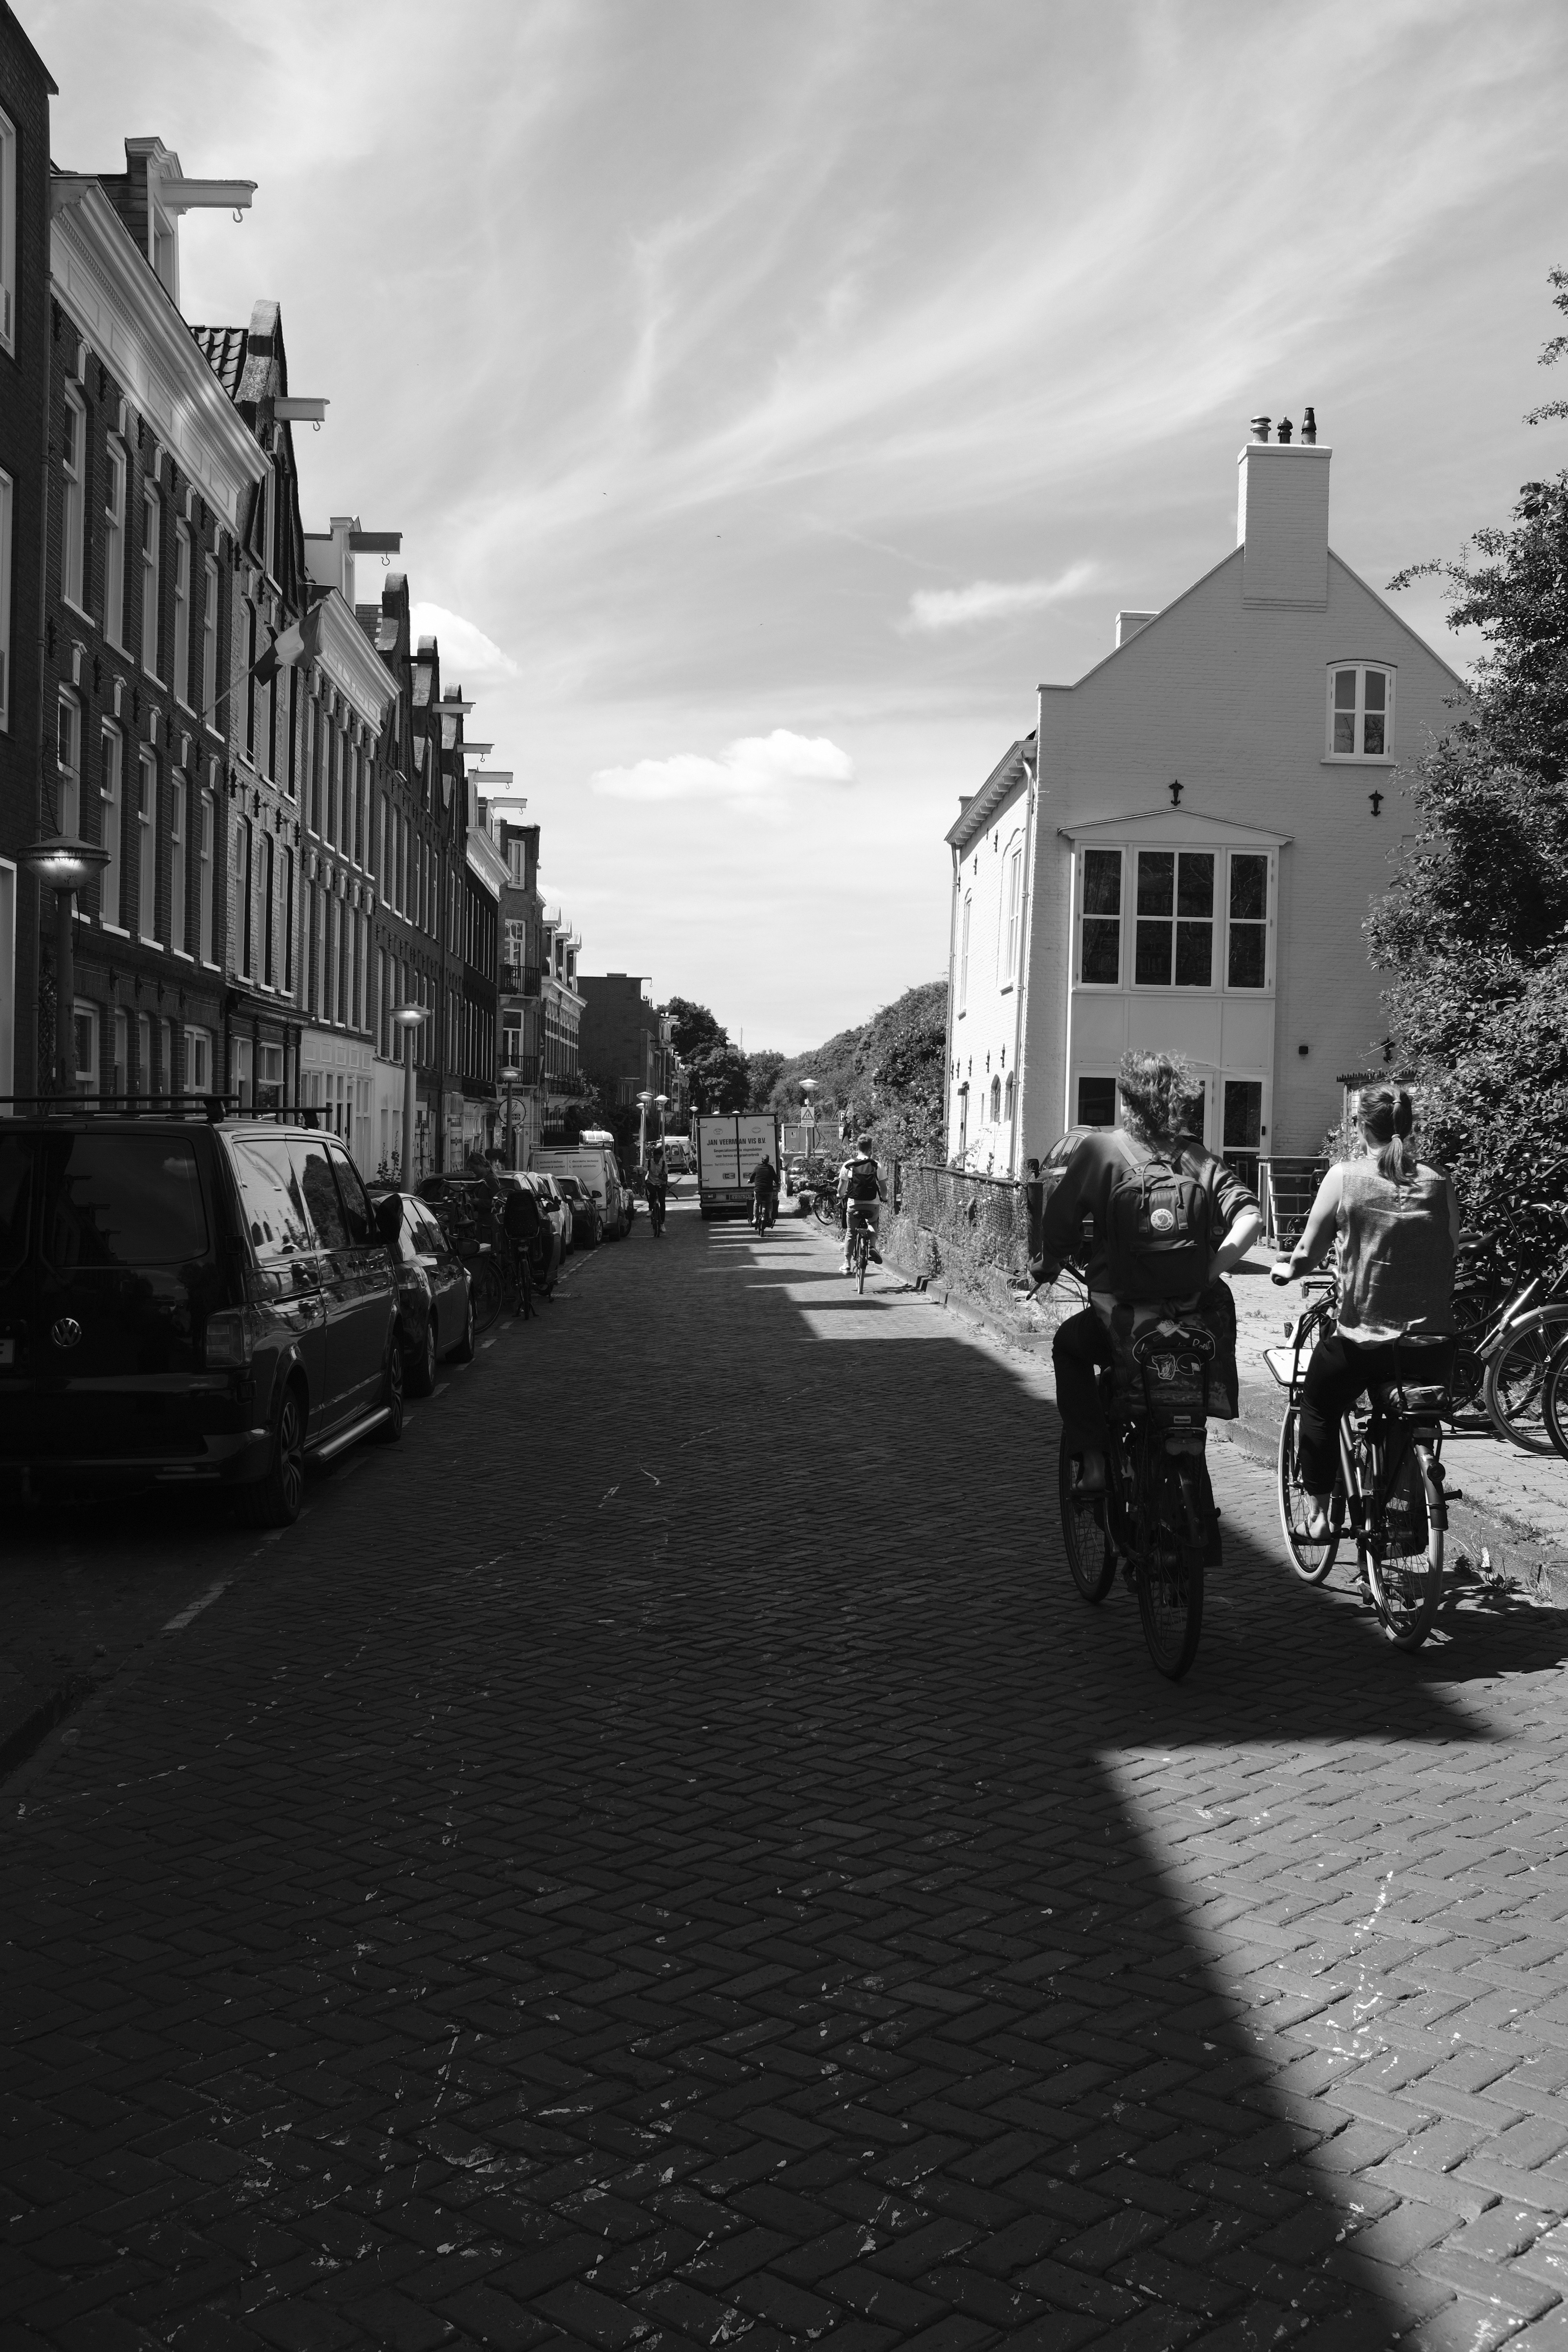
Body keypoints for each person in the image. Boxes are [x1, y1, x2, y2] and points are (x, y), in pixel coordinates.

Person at [1030, 1051, 1262, 1494]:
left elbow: (1058, 1227)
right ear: (1178, 1102)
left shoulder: (1098, 1150)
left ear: (1127, 1102)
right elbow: (1251, 1218)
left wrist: (1046, 1267)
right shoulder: (1198, 1158)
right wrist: (1208, 1274)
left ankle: (1093, 1462)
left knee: (1068, 1347)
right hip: (1193, 1320)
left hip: (1121, 1318)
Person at [1274, 1085, 1459, 1539]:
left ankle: (1319, 1518)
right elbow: (1450, 1247)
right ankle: (1403, 1506)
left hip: (1364, 1344)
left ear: (1359, 1127)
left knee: (1317, 1405)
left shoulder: (1344, 1177)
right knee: (1415, 1417)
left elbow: (1306, 1252)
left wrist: (1286, 1270)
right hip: (1433, 1347)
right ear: (1410, 1127)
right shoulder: (1440, 1181)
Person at [838, 1133, 884, 1274]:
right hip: (872, 1204)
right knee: (873, 1223)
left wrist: (840, 1195)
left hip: (854, 1205)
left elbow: (841, 1190)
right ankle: (872, 1247)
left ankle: (847, 1264)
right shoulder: (877, 1165)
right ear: (871, 1148)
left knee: (851, 1232)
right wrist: (884, 1198)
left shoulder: (848, 1165)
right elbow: (884, 1189)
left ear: (857, 1147)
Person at [750, 1151, 780, 1231]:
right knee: (770, 1202)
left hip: (758, 1190)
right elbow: (776, 1178)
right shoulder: (771, 1168)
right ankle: (770, 1216)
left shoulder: (757, 1168)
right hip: (769, 1190)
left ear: (761, 1160)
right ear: (768, 1161)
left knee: (757, 1203)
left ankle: (755, 1218)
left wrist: (751, 1181)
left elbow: (752, 1177)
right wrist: (778, 1183)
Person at [645, 1140, 669, 1235]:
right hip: (651, 1183)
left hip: (661, 1184)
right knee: (653, 1193)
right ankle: (650, 1210)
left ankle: (662, 1223)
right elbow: (644, 1173)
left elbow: (666, 1178)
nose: (658, 1159)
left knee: (662, 1203)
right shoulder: (649, 1163)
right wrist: (643, 1183)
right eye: (657, 1157)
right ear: (654, 1156)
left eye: (659, 1157)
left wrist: (661, 1177)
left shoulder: (664, 1164)